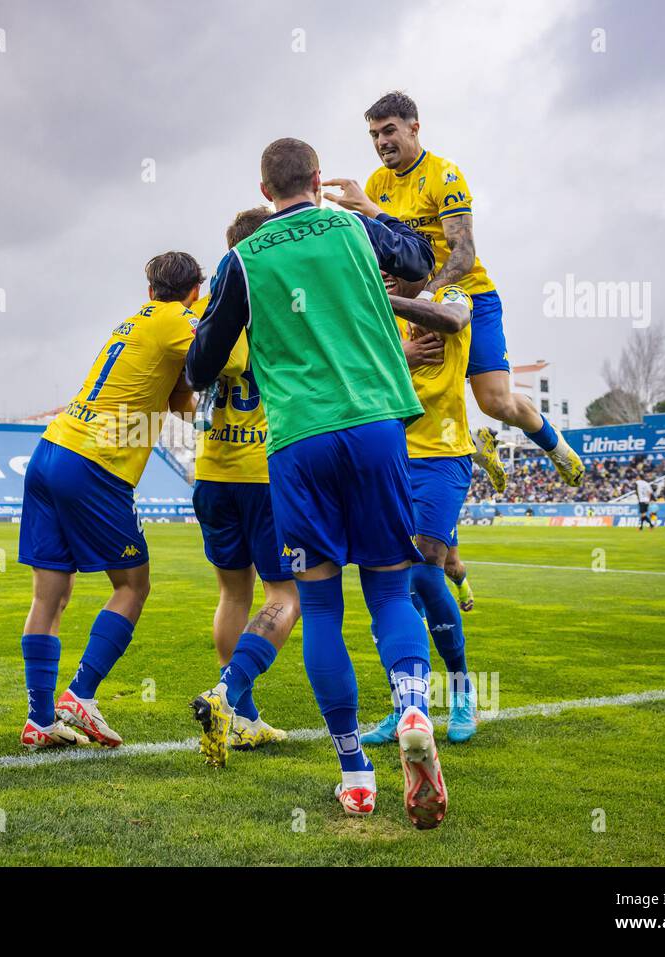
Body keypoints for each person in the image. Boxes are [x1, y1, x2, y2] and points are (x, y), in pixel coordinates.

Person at [187, 137, 451, 828]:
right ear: (314, 178)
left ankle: (355, 774)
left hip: (299, 443)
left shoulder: (242, 259)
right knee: (391, 588)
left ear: (264, 189)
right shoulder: (354, 227)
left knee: (322, 609)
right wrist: (368, 212)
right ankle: (414, 703)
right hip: (375, 426)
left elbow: (200, 366)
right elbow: (422, 262)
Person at [328, 90, 584, 492]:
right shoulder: (376, 183)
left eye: (389, 130)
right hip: (416, 304)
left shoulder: (444, 175)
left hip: (468, 296)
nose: (381, 142)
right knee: (412, 393)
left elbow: (463, 254)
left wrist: (427, 295)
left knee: (496, 402)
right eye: (374, 135)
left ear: (415, 128)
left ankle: (556, 448)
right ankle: (470, 451)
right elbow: (383, 252)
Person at [17, 251, 200, 750]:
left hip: (52, 450)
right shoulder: (181, 319)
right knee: (132, 585)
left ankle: (40, 719)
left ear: (150, 290)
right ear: (195, 291)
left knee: (49, 596)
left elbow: (178, 398)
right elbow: (223, 360)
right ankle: (82, 693)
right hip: (96, 461)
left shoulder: (134, 322)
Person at [188, 207, 300, 768]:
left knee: (233, 595)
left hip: (211, 471)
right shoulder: (279, 307)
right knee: (286, 596)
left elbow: (184, 390)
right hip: (264, 475)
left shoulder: (211, 312)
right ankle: (228, 694)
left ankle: (245, 719)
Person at [361, 270, 479, 747]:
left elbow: (452, 321)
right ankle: (405, 704)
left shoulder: (448, 295)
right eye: (381, 272)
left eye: (395, 271)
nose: (387, 278)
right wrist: (395, 351)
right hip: (389, 453)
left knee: (426, 566)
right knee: (392, 579)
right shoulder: (382, 319)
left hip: (443, 457)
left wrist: (384, 300)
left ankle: (462, 692)